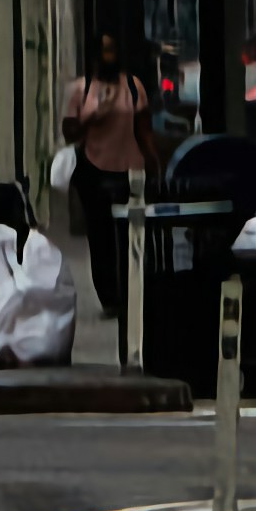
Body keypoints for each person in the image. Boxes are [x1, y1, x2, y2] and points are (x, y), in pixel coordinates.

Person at [62, 33, 151, 330]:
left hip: (129, 168)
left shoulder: (133, 87)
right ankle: (109, 297)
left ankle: (132, 290)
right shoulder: (81, 89)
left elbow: (143, 129)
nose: (109, 57)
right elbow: (69, 133)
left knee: (130, 235)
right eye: (104, 51)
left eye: (113, 50)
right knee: (100, 237)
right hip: (94, 169)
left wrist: (155, 162)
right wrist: (92, 116)